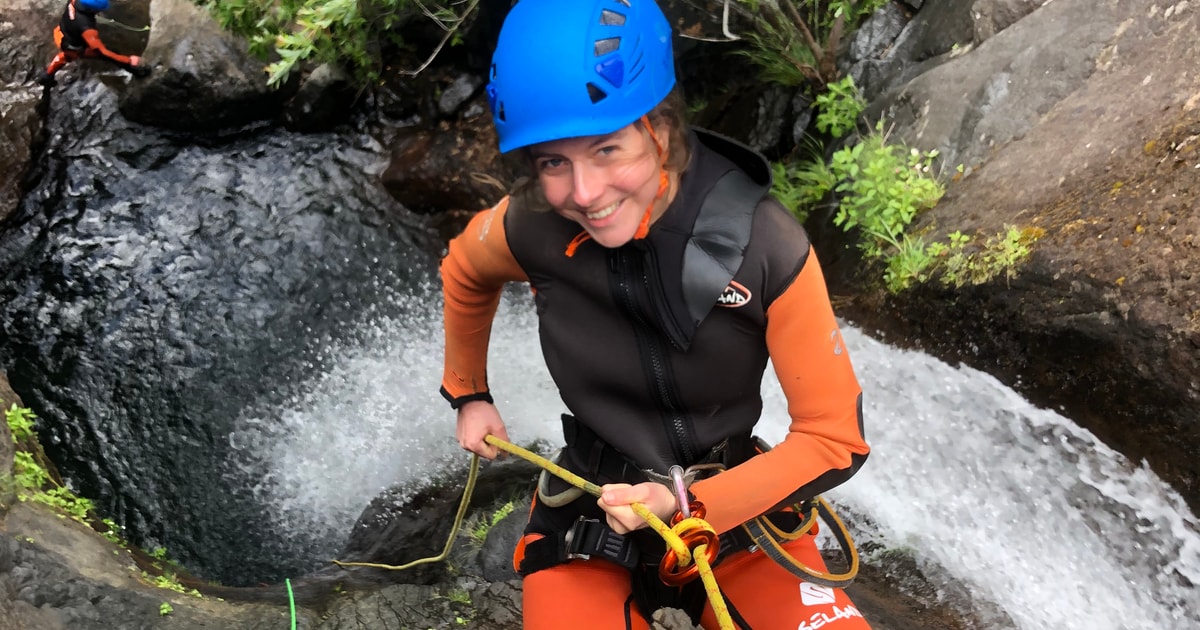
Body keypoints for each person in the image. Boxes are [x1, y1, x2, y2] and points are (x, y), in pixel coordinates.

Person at [439, 0, 871, 627]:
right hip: (589, 507)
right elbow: (465, 269)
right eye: (553, 161)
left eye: (608, 148)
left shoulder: (764, 245)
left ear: (660, 129)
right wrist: (468, 392)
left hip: (732, 512)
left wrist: (688, 502)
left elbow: (834, 438)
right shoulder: (530, 224)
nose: (584, 194)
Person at [35, 0, 151, 88]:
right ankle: (135, 69)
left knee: (64, 56)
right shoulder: (87, 28)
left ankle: (47, 76)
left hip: (61, 32)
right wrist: (128, 60)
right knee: (112, 53)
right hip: (72, 45)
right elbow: (101, 51)